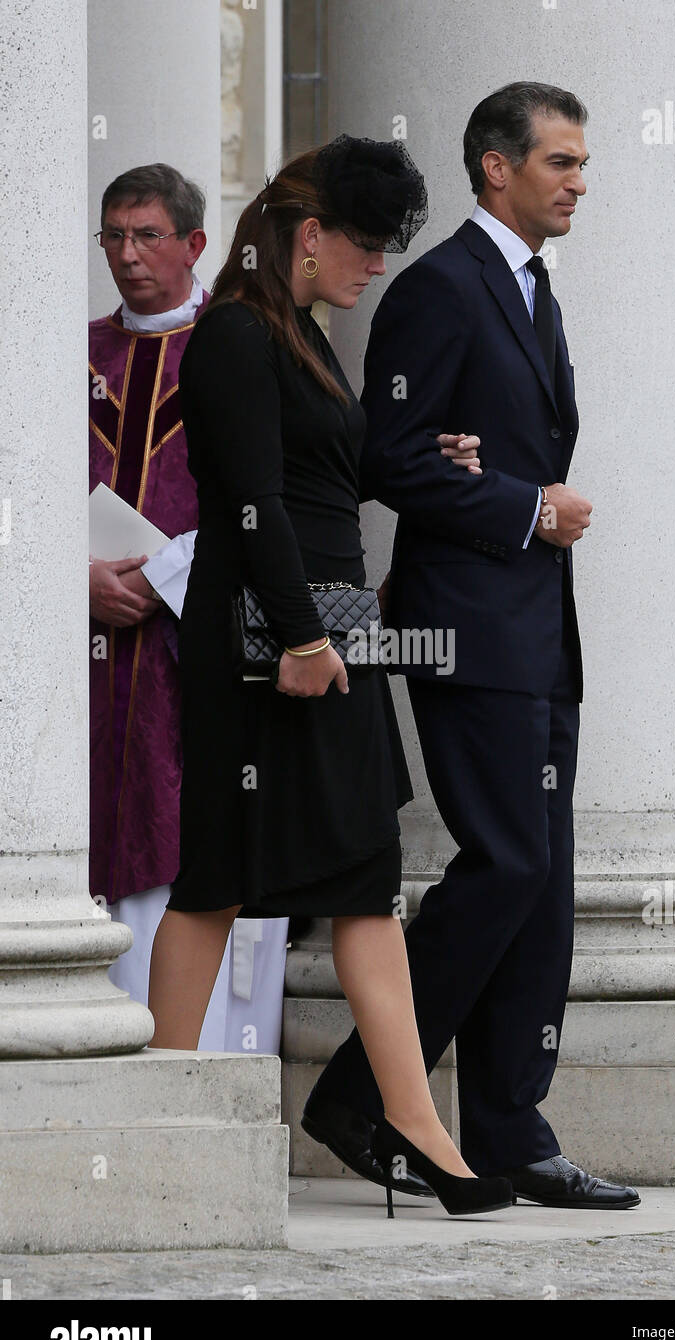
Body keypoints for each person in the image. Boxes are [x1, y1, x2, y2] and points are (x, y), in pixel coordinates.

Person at [146, 135, 514, 1218]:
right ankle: (168, 1099)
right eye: (364, 244)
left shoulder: (300, 334)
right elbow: (251, 499)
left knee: (363, 875)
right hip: (269, 642)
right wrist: (305, 639)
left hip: (327, 636)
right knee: (216, 872)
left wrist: (422, 465)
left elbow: (316, 482)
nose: (377, 266)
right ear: (307, 236)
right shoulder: (232, 334)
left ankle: (414, 1120)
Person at [303, 85, 641, 1210]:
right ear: (495, 168)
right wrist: (519, 506)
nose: (578, 181)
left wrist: (508, 499)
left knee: (542, 882)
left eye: (582, 162)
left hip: (540, 631)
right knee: (510, 865)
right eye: (559, 161)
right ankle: (363, 1094)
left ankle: (509, 1127)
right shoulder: (440, 288)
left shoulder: (530, 289)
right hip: (469, 628)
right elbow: (388, 459)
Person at [89, 162, 289, 1055]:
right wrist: (76, 579)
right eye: (114, 238)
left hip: (204, 654)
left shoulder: (244, 342)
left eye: (148, 236)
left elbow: (278, 497)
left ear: (196, 244)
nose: (128, 257)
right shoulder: (73, 356)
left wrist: (163, 578)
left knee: (208, 843)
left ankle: (210, 1074)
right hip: (89, 662)